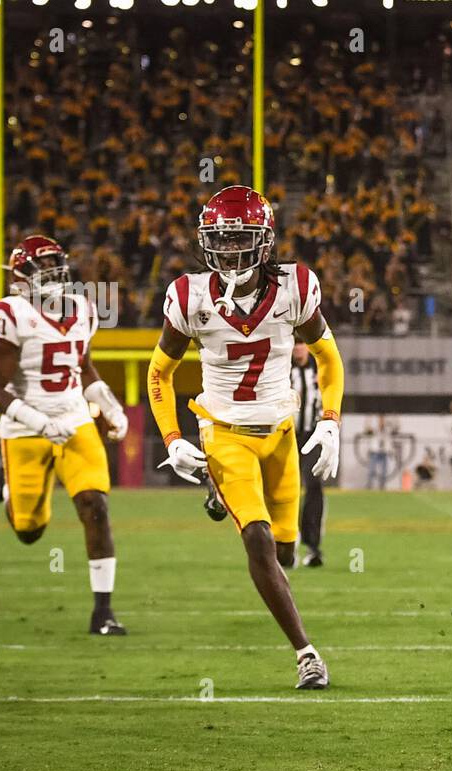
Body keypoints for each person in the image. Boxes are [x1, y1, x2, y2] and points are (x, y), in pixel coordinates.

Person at [147, 186, 343, 690]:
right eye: (221, 241)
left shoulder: (296, 286)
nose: (230, 252)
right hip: (224, 432)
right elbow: (159, 372)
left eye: (241, 241)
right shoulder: (189, 295)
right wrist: (172, 437)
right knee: (255, 539)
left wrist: (330, 420)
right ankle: (307, 653)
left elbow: (328, 356)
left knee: (283, 554)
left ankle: (220, 493)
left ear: (265, 242)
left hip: (280, 433)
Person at [0, 238, 129, 634]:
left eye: (56, 265)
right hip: (26, 427)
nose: (53, 274)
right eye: (41, 267)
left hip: (75, 420)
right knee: (29, 531)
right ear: (21, 277)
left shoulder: (82, 309)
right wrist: (41, 424)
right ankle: (6, 475)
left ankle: (103, 612)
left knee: (95, 505)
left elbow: (84, 368)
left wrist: (110, 406)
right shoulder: (10, 313)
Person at [291, 341, 326, 566]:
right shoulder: (282, 369)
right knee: (287, 488)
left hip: (313, 435)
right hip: (287, 436)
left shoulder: (320, 367)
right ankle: (286, 544)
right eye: (295, 344)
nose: (298, 349)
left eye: (302, 344)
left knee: (314, 485)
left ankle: (313, 547)